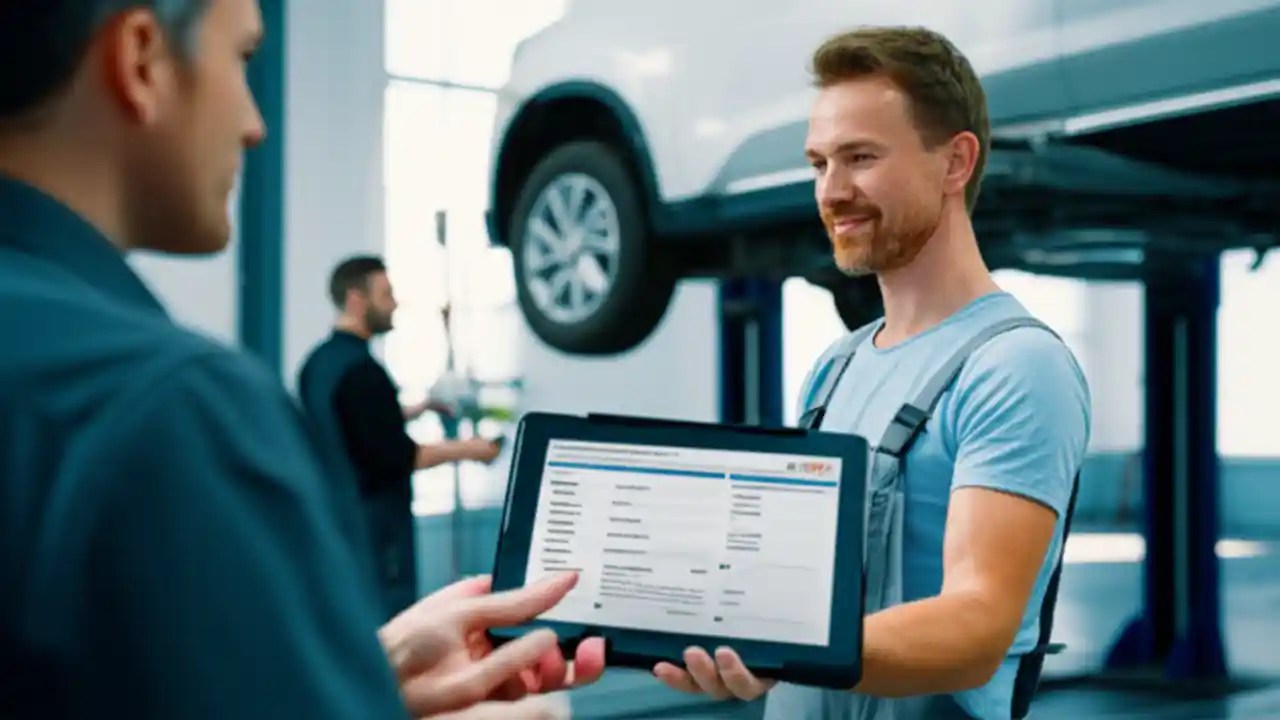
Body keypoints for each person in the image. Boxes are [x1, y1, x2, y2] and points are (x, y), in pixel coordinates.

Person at [0, 1, 602, 718]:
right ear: (139, 59)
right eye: (243, 58)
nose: (255, 125)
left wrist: (361, 682)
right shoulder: (170, 406)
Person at [652, 26, 1091, 720]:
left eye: (860, 157)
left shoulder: (1015, 366)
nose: (832, 191)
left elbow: (977, 627)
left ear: (955, 163)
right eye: (819, 163)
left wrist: (778, 650)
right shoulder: (835, 369)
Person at [298, 255, 502, 620]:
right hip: (378, 531)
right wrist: (472, 449)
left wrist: (418, 408)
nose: (393, 304)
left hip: (335, 518)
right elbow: (398, 455)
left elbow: (350, 425)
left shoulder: (319, 363)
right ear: (356, 299)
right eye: (386, 294)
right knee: (390, 629)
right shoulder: (364, 372)